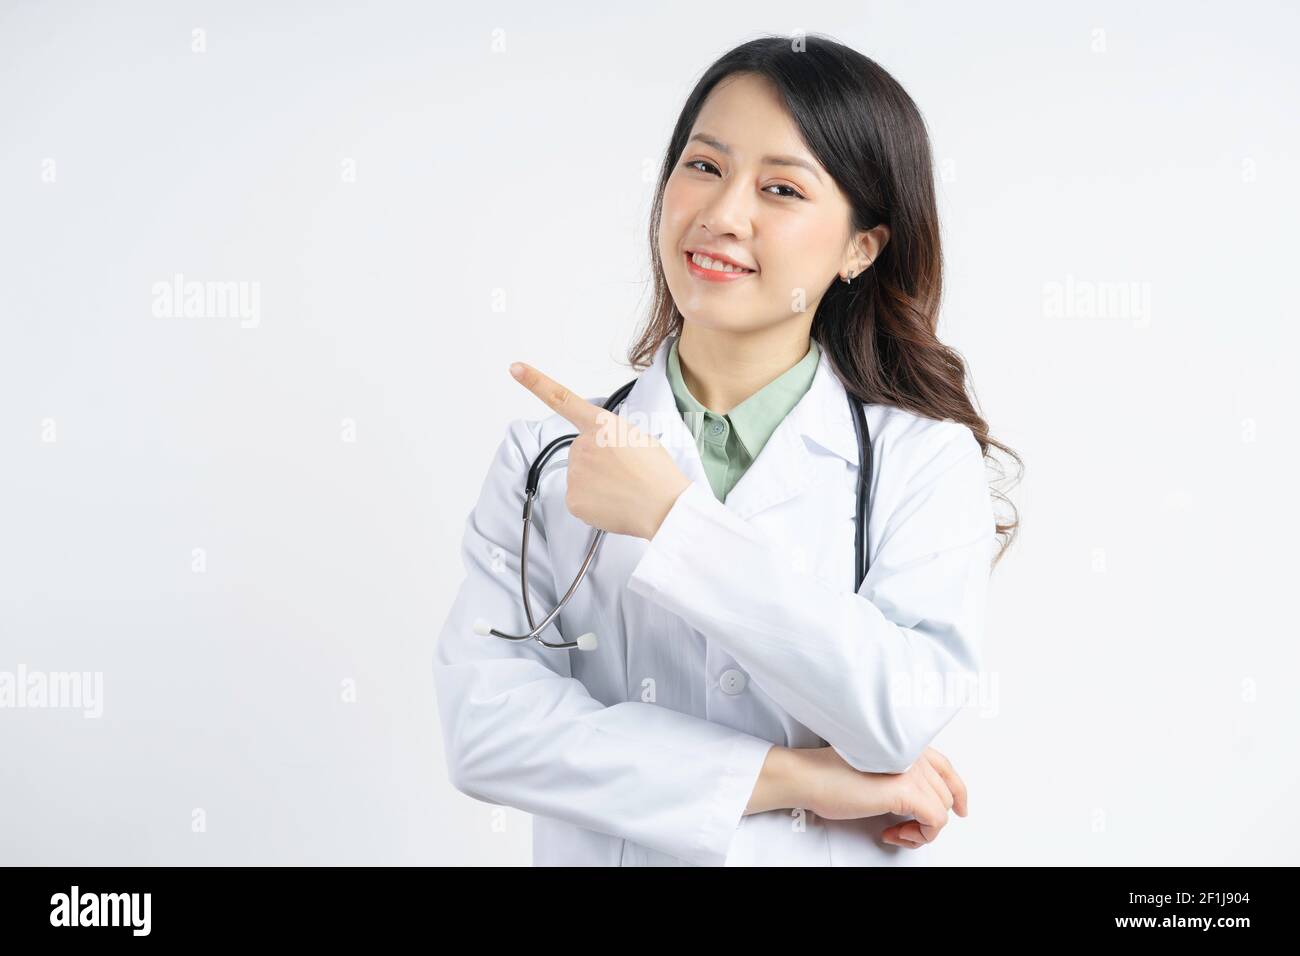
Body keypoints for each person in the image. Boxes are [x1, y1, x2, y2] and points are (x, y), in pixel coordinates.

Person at [433, 33, 1021, 866]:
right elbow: (485, 731)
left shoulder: (923, 461)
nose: (721, 214)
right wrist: (801, 779)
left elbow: (897, 713)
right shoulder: (547, 455)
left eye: (781, 188)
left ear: (863, 246)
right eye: (704, 166)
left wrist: (673, 523)